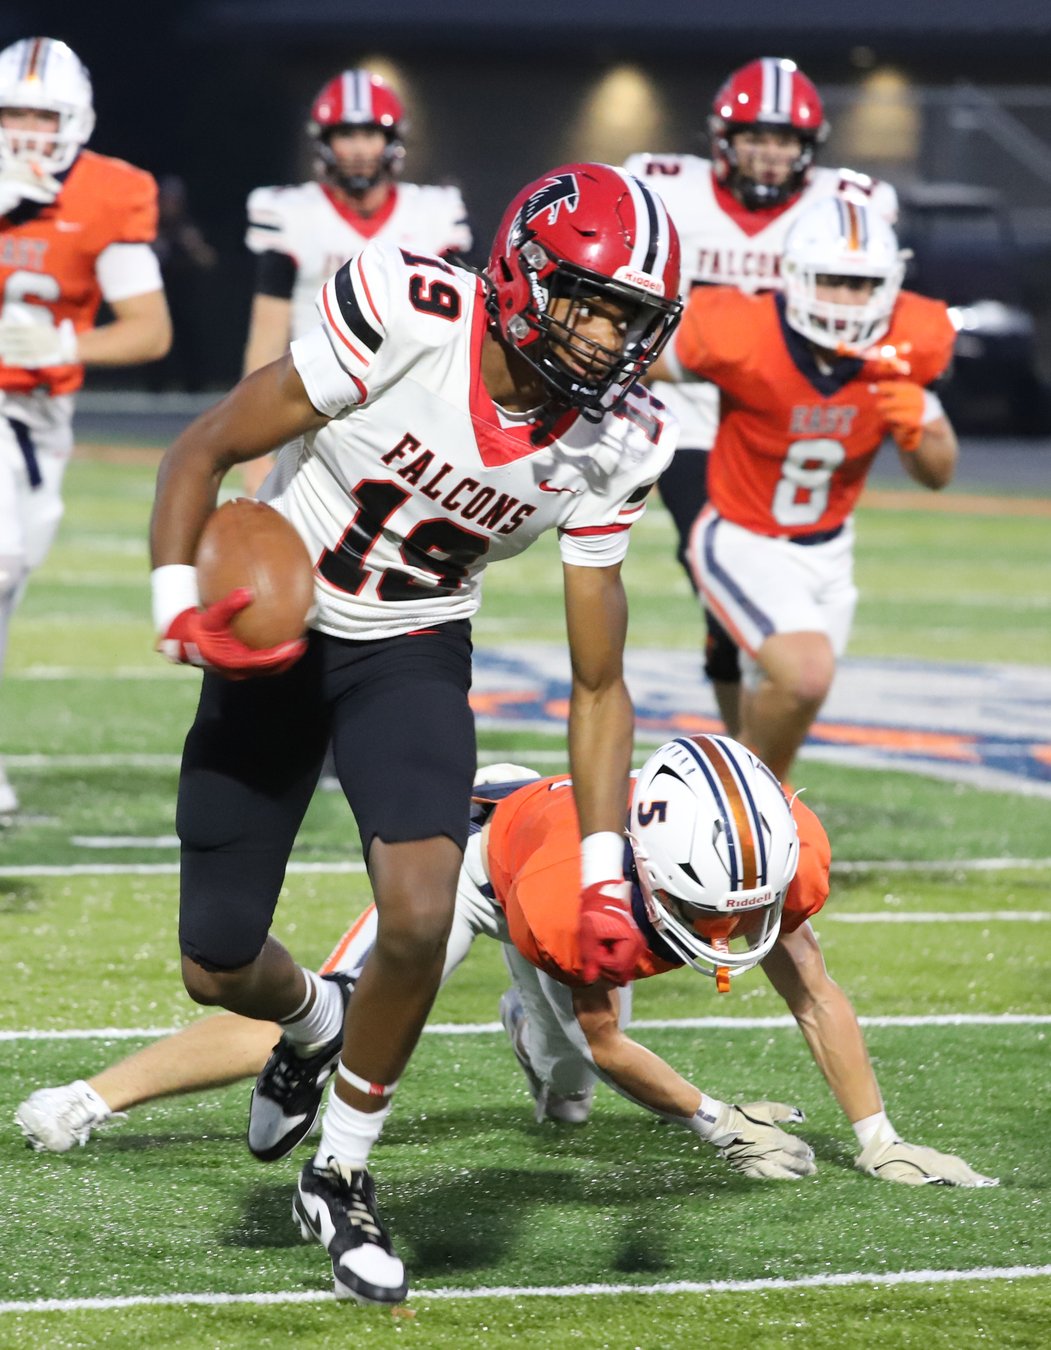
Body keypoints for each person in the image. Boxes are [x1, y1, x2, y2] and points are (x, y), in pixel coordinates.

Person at [146, 162, 682, 1304]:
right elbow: (202, 447)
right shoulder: (407, 310)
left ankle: (341, 1173)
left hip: (410, 648)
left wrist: (601, 870)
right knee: (216, 962)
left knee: (423, 910)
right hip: (280, 627)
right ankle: (313, 1020)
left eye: (629, 318)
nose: (606, 339)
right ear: (523, 277)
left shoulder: (618, 437)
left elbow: (599, 681)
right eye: (589, 303)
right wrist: (175, 603)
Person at [17, 736, 995, 1202]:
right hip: (480, 864)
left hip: (559, 861)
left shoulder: (766, 851)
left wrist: (877, 1138)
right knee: (333, 1017)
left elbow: (812, 990)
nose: (731, 928)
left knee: (565, 1104)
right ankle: (86, 1100)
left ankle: (529, 1032)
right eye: (709, 910)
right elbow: (609, 1041)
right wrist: (713, 1121)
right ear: (649, 871)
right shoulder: (579, 899)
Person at [625, 56, 898, 733]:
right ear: (724, 139)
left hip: (783, 420)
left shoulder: (845, 207)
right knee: (723, 586)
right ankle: (744, 747)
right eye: (756, 137)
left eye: (785, 140)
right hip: (690, 416)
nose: (771, 154)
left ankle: (750, 743)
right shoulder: (667, 189)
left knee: (773, 597)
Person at [649, 196, 958, 784]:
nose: (845, 299)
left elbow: (938, 474)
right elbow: (633, 362)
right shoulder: (744, 329)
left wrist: (926, 426)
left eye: (862, 285)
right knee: (805, 677)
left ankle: (745, 805)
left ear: (890, 286)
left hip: (831, 550)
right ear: (794, 277)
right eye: (831, 280)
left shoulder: (910, 340)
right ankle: (750, 804)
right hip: (741, 537)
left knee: (781, 705)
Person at [0, 36, 171, 818]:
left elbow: (149, 329)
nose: (29, 132)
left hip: (40, 416)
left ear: (76, 121)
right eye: (15, 114)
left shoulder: (109, 191)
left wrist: (65, 345)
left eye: (45, 116)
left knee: (11, 575)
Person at [240, 68, 472, 496]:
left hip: (411, 411)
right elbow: (266, 334)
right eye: (346, 134)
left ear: (392, 141)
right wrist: (253, 445)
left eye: (370, 134)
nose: (360, 148)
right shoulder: (292, 214)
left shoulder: (433, 214)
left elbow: (465, 332)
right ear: (324, 142)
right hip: (314, 405)